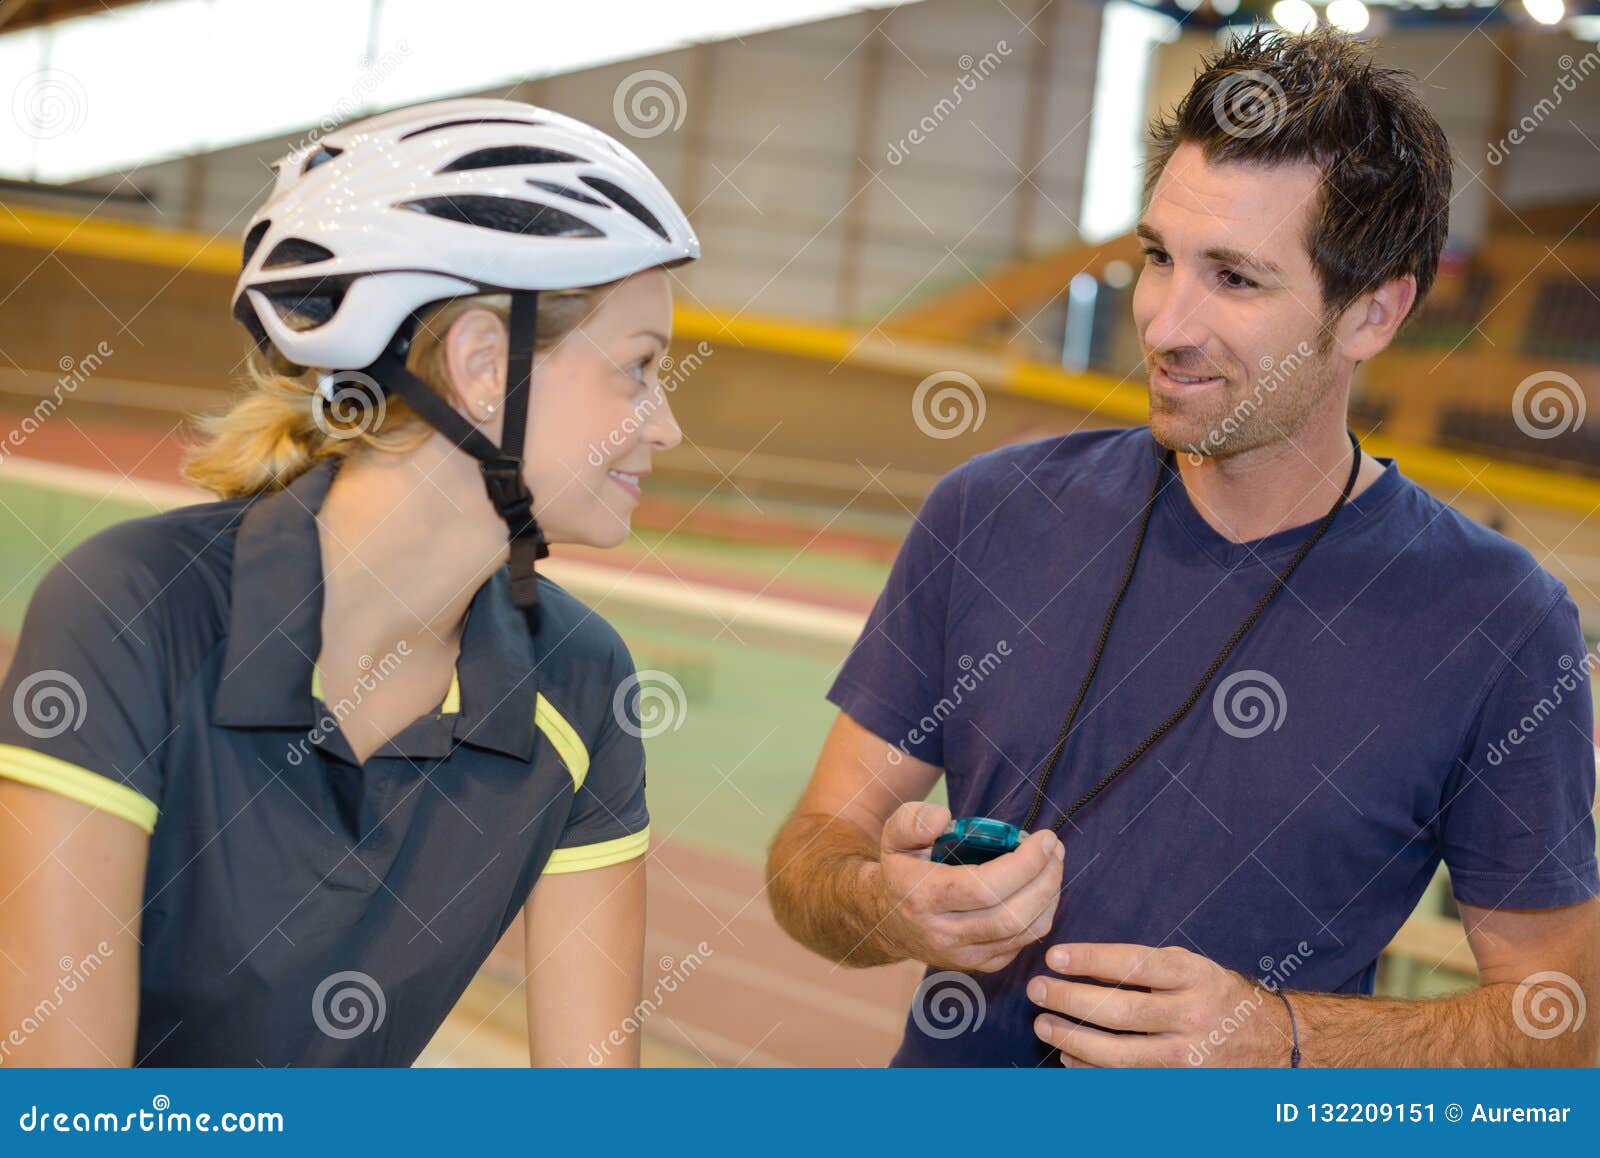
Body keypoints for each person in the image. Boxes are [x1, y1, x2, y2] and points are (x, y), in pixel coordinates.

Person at [767, 28, 1598, 1067]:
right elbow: (811, 854)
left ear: (1373, 314)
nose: (1164, 323)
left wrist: (1279, 1034)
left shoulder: (1497, 622)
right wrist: (883, 903)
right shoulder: (989, 513)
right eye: (1159, 258)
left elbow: (1559, 1020)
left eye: (1235, 278)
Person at [0, 97, 699, 1066]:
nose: (666, 424)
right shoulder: (135, 609)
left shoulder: (582, 682)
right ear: (483, 364)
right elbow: (62, 1113)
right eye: (638, 368)